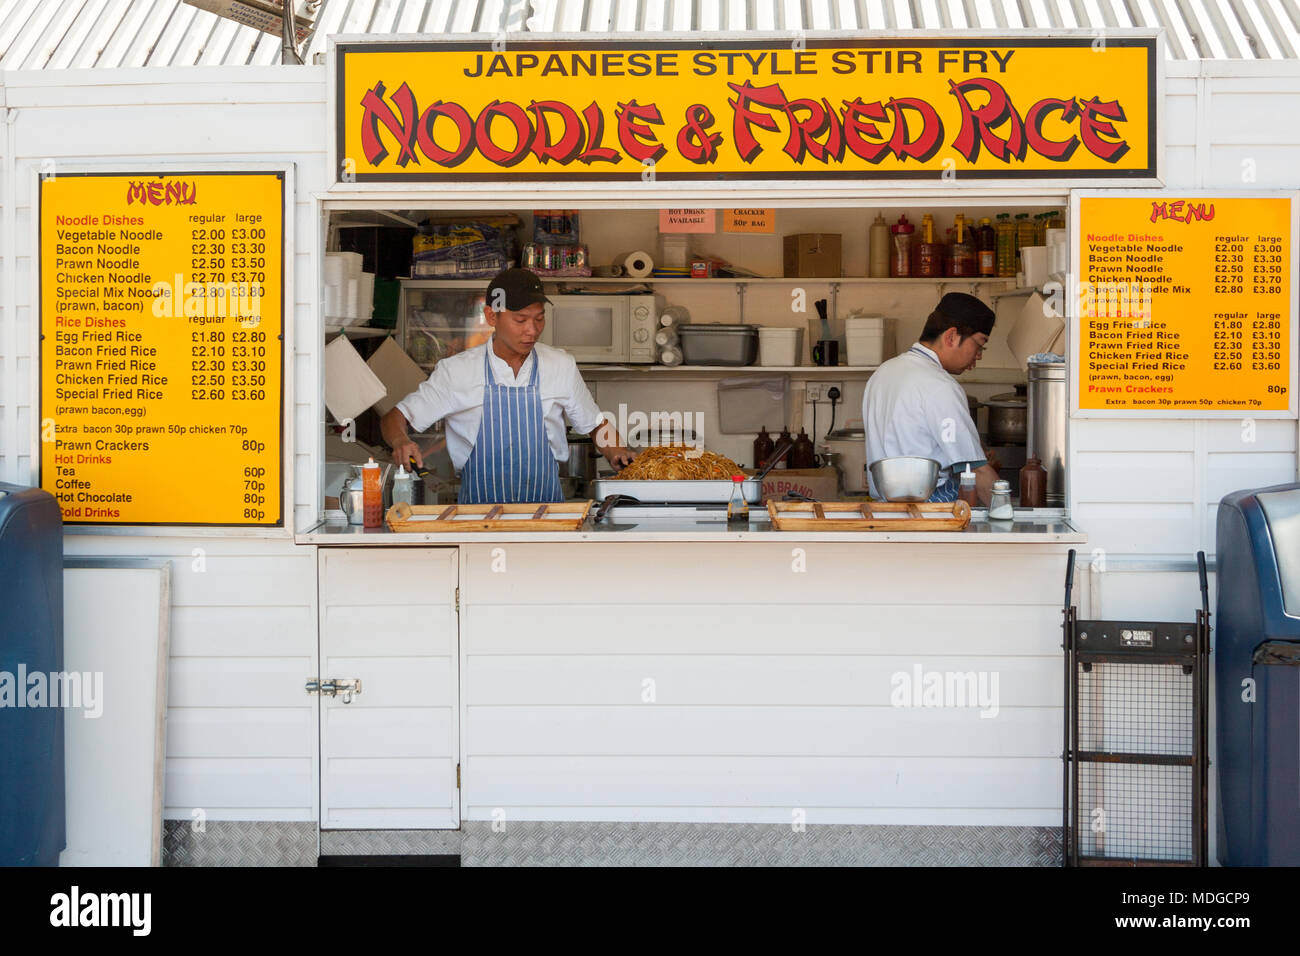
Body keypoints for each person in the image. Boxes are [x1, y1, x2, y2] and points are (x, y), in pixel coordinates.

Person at [381, 267, 633, 503]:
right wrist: (401, 441)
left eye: (539, 319)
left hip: (548, 516)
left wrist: (618, 451)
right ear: (492, 316)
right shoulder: (457, 371)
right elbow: (394, 418)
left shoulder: (560, 365)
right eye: (520, 320)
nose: (532, 331)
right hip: (478, 519)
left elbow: (596, 424)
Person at [861, 292, 999, 505]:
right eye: (980, 344)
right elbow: (977, 473)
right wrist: (1009, 518)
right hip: (930, 515)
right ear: (951, 336)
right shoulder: (940, 385)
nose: (979, 355)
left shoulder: (883, 373)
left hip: (885, 512)